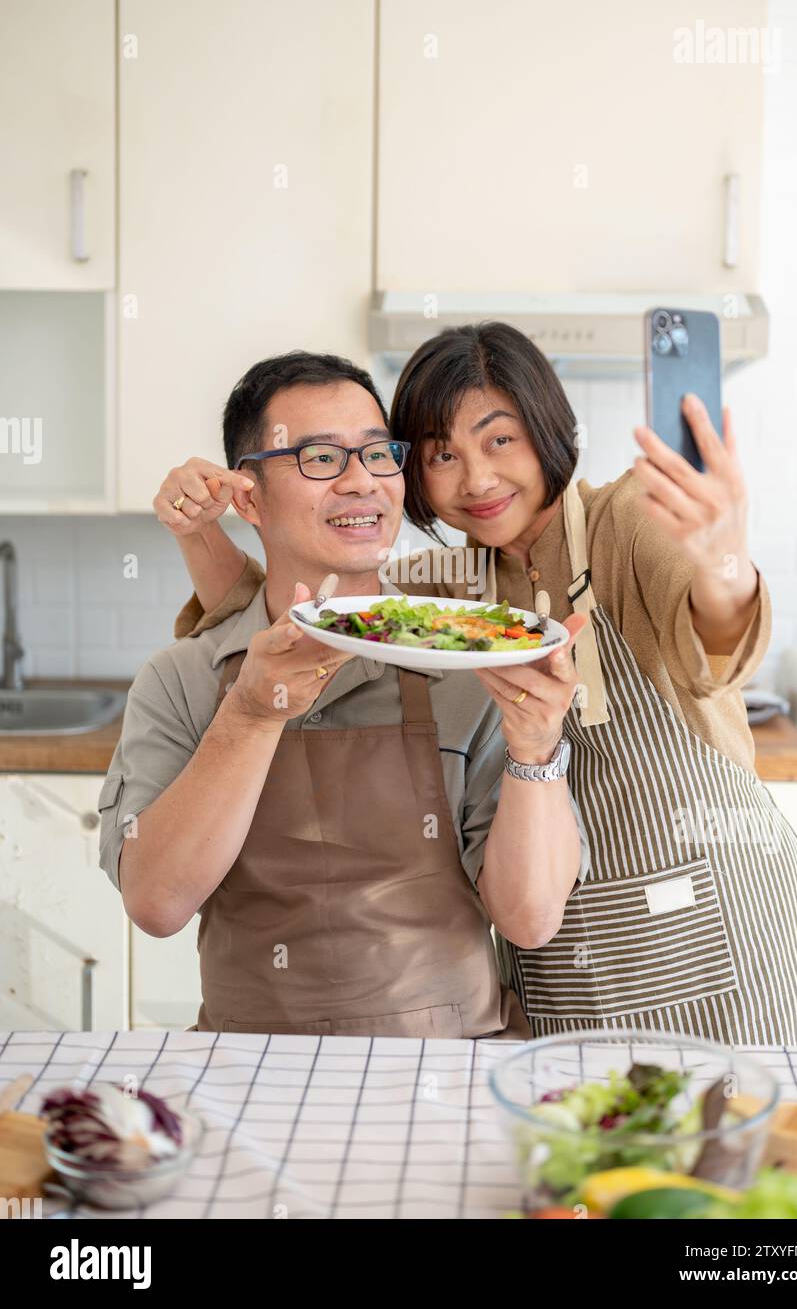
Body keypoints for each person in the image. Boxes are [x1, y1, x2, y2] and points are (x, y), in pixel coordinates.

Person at [156, 323, 797, 1046]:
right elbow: (309, 608)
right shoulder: (449, 589)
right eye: (443, 453)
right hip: (560, 949)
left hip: (710, 933)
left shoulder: (627, 520)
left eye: (499, 440)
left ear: (547, 430)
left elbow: (718, 641)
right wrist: (201, 529)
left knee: (737, 1147)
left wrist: (725, 563)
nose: (475, 479)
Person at [99, 349, 588, 1039]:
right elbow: (156, 903)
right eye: (321, 459)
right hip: (246, 1078)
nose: (362, 482)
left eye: (378, 455)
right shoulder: (181, 680)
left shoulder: (469, 664)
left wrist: (536, 746)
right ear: (248, 496)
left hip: (450, 1075)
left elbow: (532, 918)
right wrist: (247, 715)